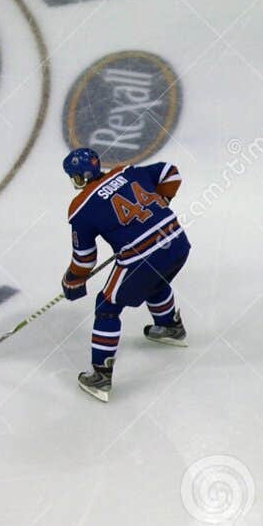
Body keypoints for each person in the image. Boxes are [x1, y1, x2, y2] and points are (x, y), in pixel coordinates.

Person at [61, 147, 190, 403]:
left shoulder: (80, 208)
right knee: (156, 280)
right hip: (177, 241)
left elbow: (84, 259)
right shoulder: (128, 172)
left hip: (142, 257)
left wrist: (72, 280)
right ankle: (169, 325)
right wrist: (162, 202)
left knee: (107, 306)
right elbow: (170, 173)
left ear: (79, 177)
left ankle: (100, 375)